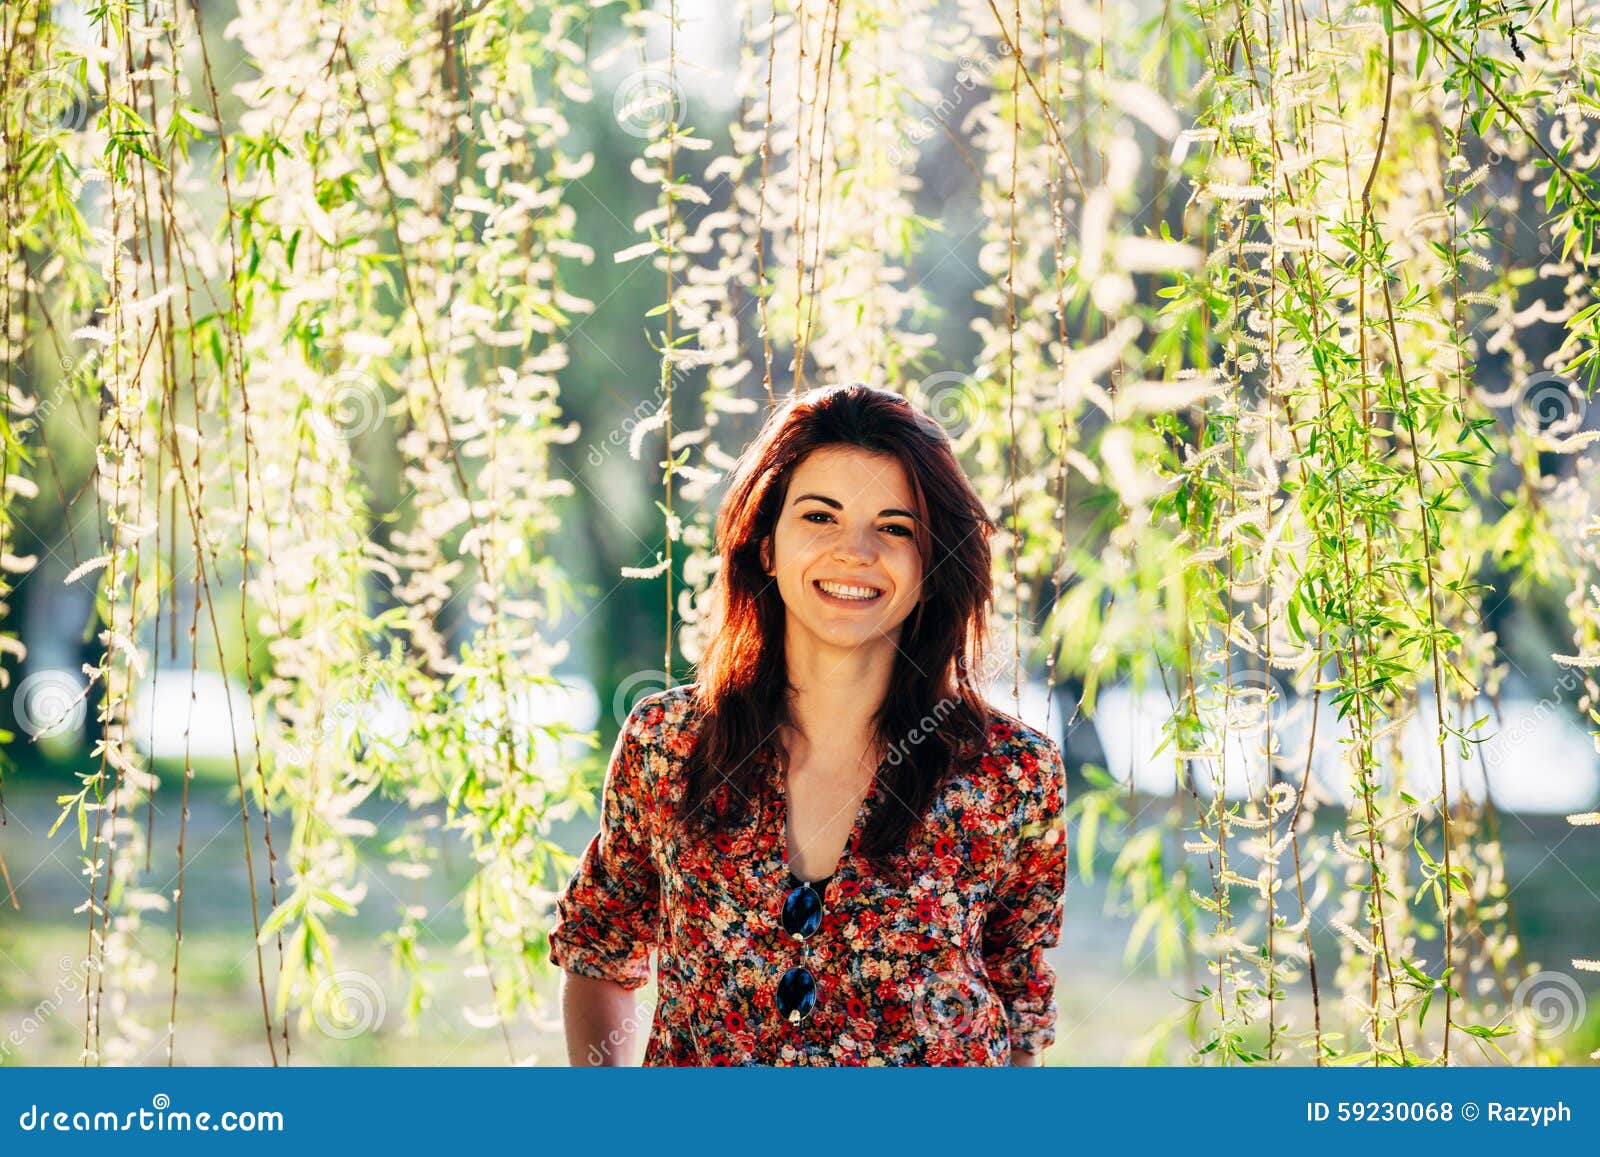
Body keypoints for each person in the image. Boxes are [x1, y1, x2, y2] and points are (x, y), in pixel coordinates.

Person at [549, 381, 1068, 1066]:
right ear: (765, 545)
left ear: (931, 565)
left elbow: (1019, 1007)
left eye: (895, 526)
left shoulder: (1013, 772)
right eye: (820, 517)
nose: (855, 551)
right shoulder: (667, 743)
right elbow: (597, 946)